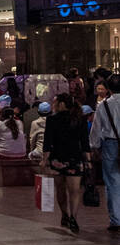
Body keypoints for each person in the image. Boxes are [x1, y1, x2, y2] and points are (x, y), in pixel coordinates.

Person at [42, 92, 91, 234]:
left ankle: (65, 214)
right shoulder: (79, 118)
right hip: (75, 158)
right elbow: (84, 141)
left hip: (57, 158)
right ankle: (73, 217)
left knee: (61, 189)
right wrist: (87, 160)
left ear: (61, 104)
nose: (53, 105)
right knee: (74, 191)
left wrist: (45, 160)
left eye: (55, 102)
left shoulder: (52, 120)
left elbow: (48, 143)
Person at [89, 73, 120, 233]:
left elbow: (96, 128)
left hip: (111, 144)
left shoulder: (104, 105)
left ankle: (116, 219)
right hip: (111, 143)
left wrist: (94, 146)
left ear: (108, 89)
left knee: (112, 182)